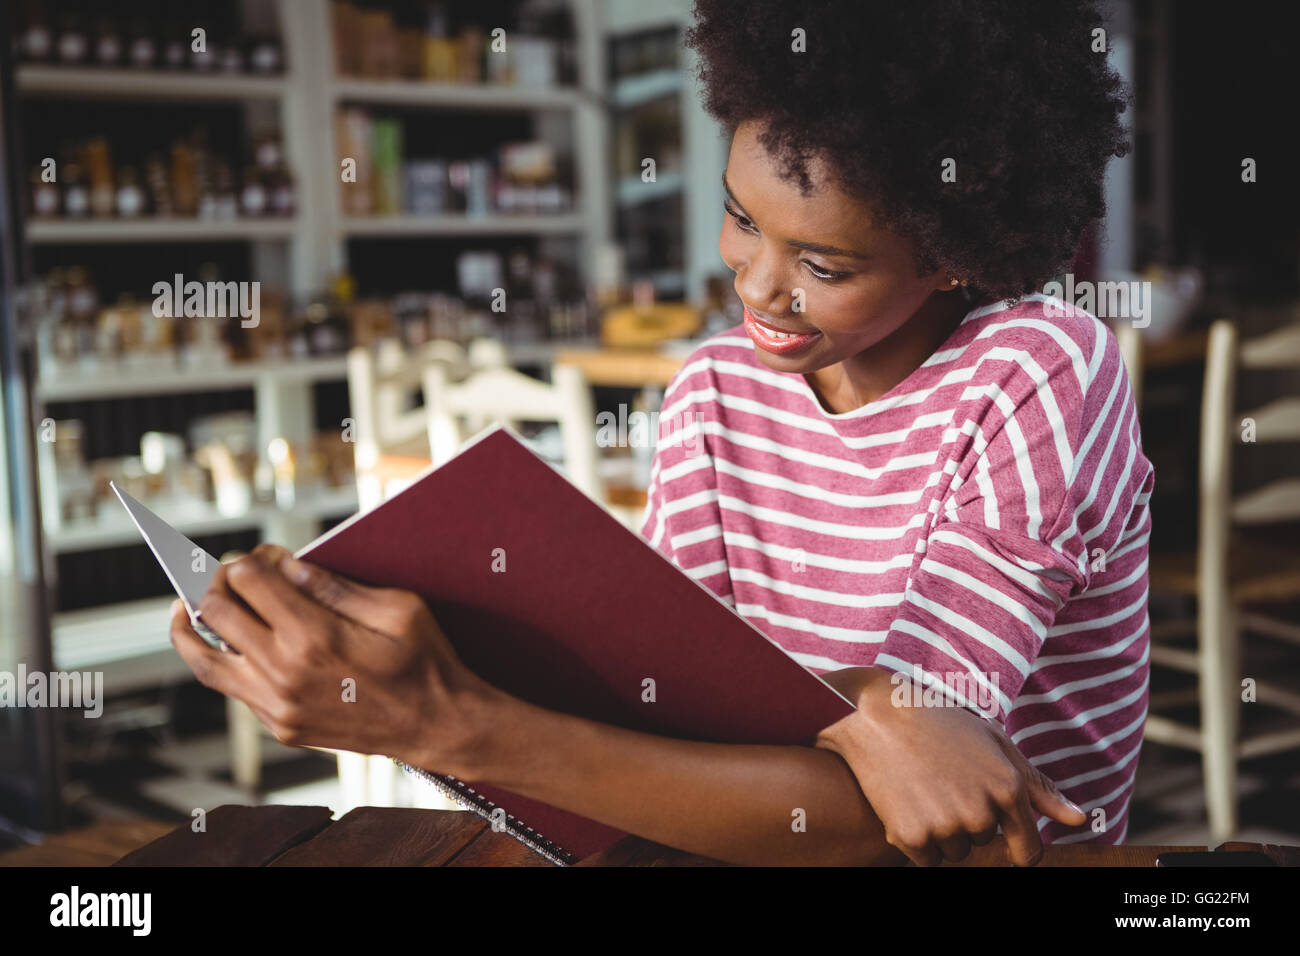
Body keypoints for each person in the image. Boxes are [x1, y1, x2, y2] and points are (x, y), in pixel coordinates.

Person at [170, 0, 1150, 866]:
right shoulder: (715, 388)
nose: (759, 285)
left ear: (949, 255)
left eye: (823, 261)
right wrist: (867, 705)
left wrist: (443, 720)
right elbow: (676, 720)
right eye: (738, 218)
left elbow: (897, 815)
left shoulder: (1038, 370)